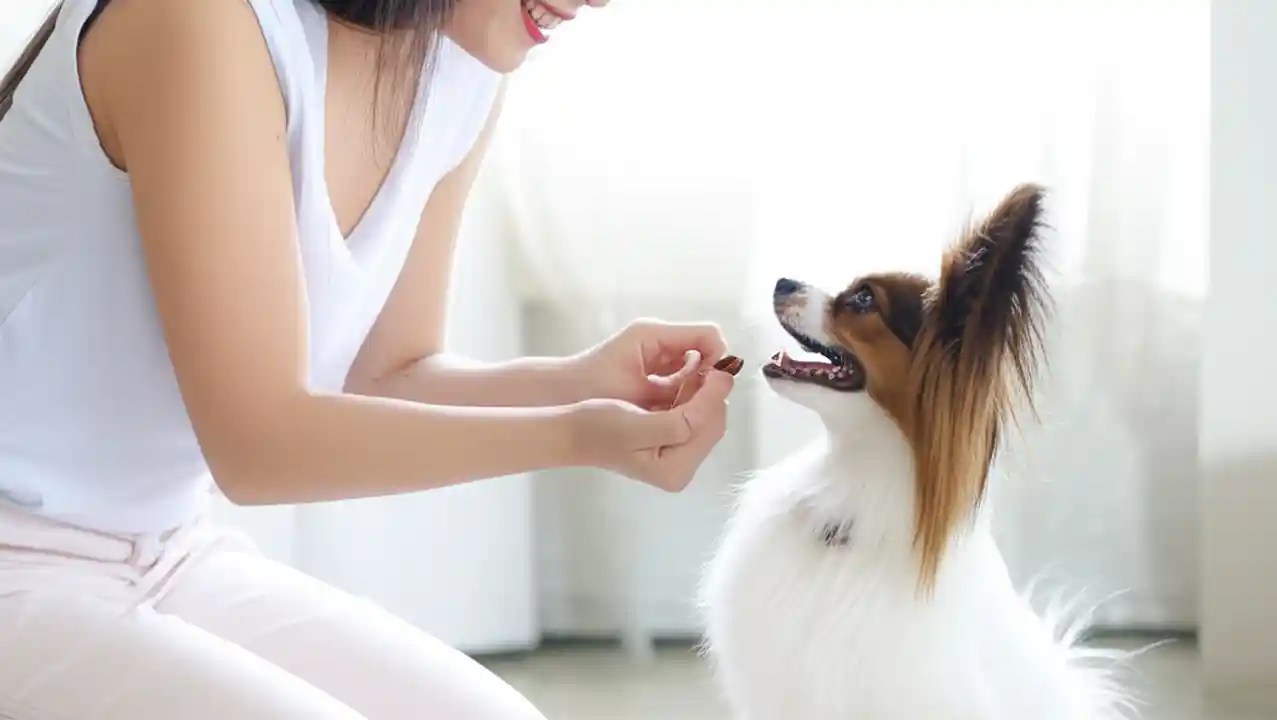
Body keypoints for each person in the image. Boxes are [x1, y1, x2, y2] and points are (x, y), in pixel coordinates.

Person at [0, 0, 736, 717]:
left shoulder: (462, 65)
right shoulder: (197, 22)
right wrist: (573, 435)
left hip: (163, 549)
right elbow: (260, 446)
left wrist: (576, 385)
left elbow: (390, 371)